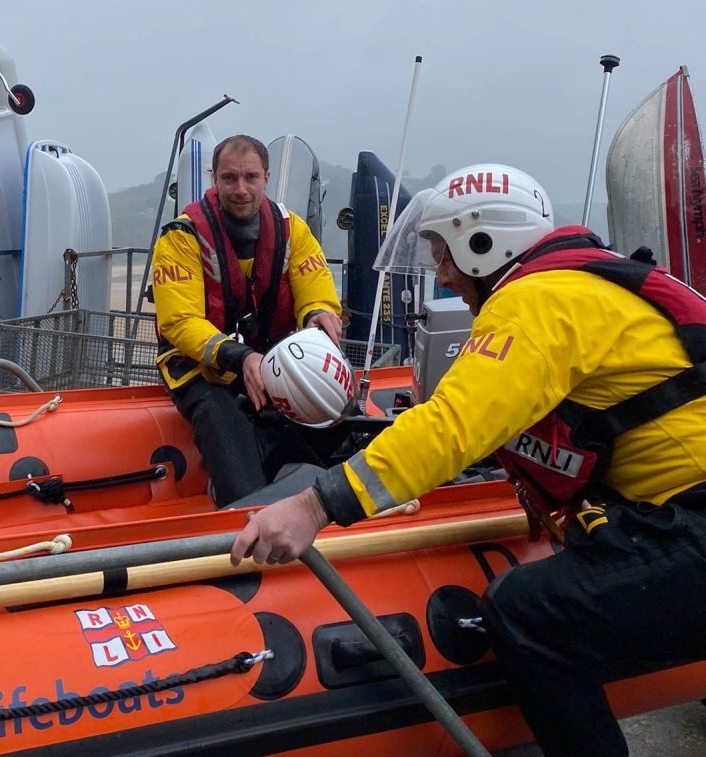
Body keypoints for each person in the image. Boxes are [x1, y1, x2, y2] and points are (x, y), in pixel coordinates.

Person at [229, 163, 706, 756]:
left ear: (487, 242)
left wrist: (313, 504)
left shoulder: (535, 301)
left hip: (693, 522)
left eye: (446, 254)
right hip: (675, 509)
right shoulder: (584, 286)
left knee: (527, 612)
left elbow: (454, 424)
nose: (445, 275)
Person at [152, 134, 343, 505]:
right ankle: (246, 517)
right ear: (214, 179)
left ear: (266, 178)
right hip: (202, 371)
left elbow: (315, 286)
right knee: (231, 447)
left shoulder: (292, 231)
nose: (240, 189)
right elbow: (180, 321)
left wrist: (320, 313)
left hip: (274, 363)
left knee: (336, 424)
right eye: (229, 178)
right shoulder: (181, 238)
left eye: (250, 178)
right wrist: (241, 358)